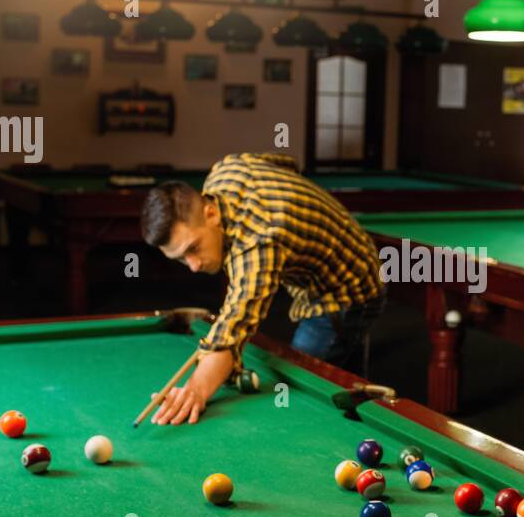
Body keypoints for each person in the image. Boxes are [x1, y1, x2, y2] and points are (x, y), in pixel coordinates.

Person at [140, 152, 385, 424]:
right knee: (341, 372)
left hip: (349, 285)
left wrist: (195, 390)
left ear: (211, 213)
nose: (194, 266)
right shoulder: (226, 169)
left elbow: (235, 327)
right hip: (333, 263)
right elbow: (288, 164)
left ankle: (355, 418)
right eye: (181, 259)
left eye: (193, 249)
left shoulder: (259, 242)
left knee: (306, 385)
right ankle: (355, 407)